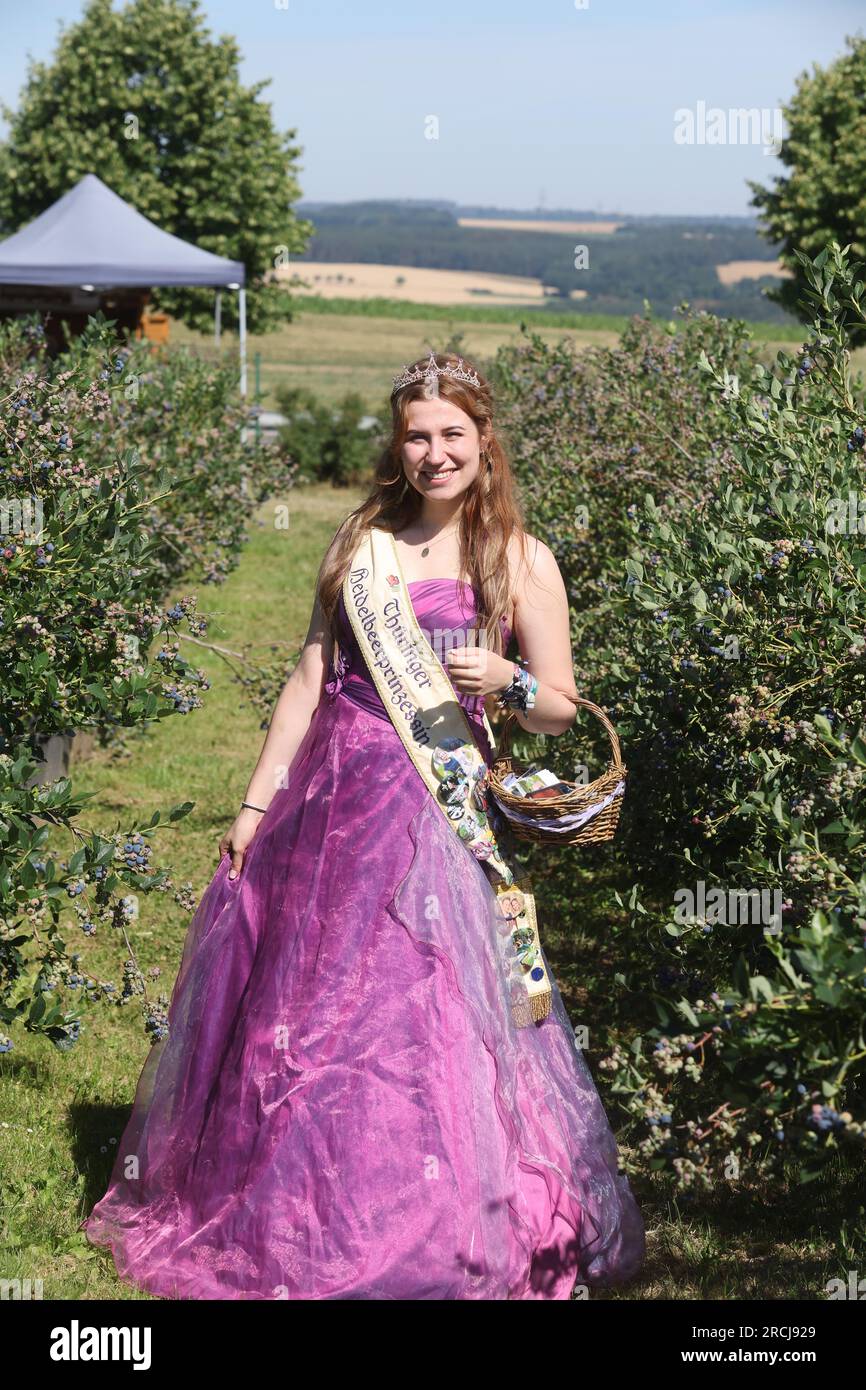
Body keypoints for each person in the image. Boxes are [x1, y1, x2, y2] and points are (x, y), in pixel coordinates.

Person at [82, 351, 646, 1300]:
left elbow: (558, 705)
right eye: (417, 435)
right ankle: (279, 1200)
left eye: (452, 435)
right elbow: (308, 678)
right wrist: (257, 802)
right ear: (399, 443)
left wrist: (509, 683)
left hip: (435, 806)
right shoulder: (359, 541)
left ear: (483, 441)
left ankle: (434, 1212)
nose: (434, 453)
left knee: (423, 1004)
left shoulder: (519, 558)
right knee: (304, 999)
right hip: (330, 801)